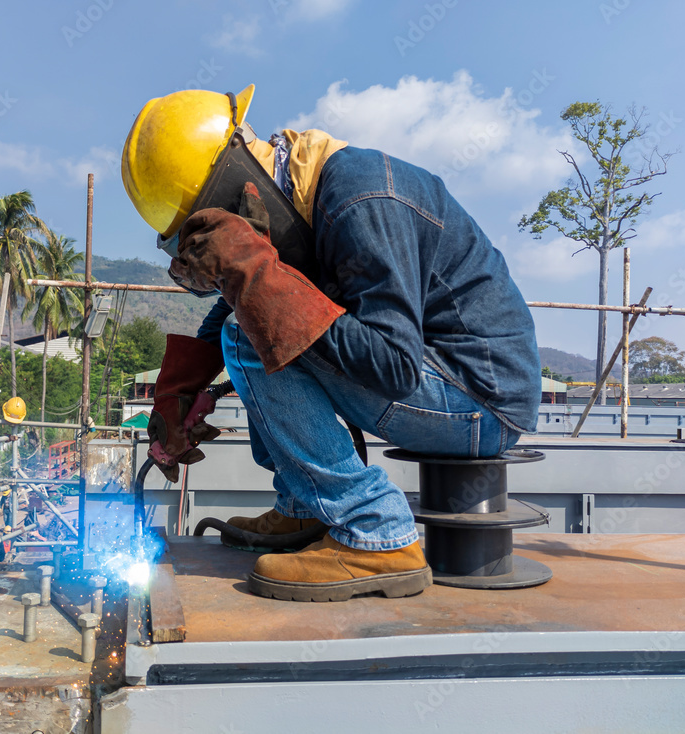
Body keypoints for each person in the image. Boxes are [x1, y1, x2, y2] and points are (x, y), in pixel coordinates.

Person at [121, 85, 540, 602]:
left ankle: (376, 532)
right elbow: (243, 304)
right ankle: (306, 509)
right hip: (448, 385)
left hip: (479, 403)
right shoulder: (307, 195)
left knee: (255, 324)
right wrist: (183, 389)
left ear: (237, 188)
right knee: (253, 313)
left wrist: (257, 276)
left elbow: (393, 366)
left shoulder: (360, 200)